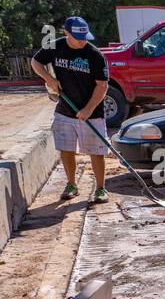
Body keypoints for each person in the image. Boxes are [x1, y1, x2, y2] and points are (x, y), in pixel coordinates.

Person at [30, 16, 111, 203]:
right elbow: (36, 62)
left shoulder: (95, 55)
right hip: (65, 108)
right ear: (66, 33)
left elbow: (102, 86)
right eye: (77, 37)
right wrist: (48, 79)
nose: (82, 40)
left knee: (97, 152)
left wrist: (89, 109)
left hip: (92, 112)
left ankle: (100, 188)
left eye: (84, 36)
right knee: (66, 149)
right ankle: (71, 185)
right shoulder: (55, 46)